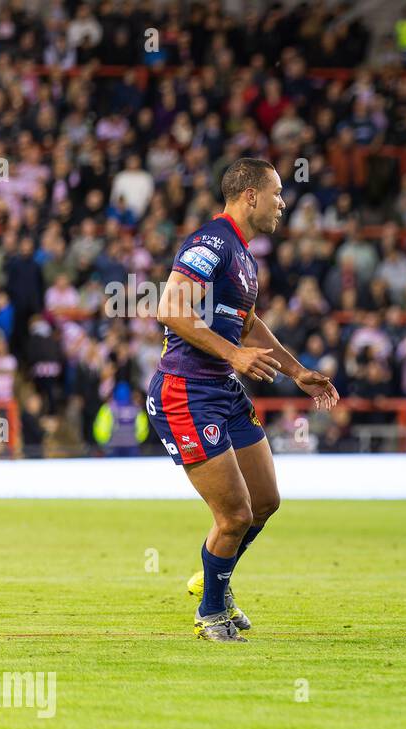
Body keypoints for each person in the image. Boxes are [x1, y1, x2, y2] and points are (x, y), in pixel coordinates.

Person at [148, 157, 339, 642]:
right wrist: (233, 354)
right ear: (250, 195)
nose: (282, 202)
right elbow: (169, 307)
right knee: (233, 515)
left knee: (264, 503)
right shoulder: (211, 243)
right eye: (277, 193)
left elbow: (249, 323)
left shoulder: (244, 256)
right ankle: (211, 611)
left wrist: (297, 371)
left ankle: (214, 575)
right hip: (186, 391)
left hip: (223, 391)